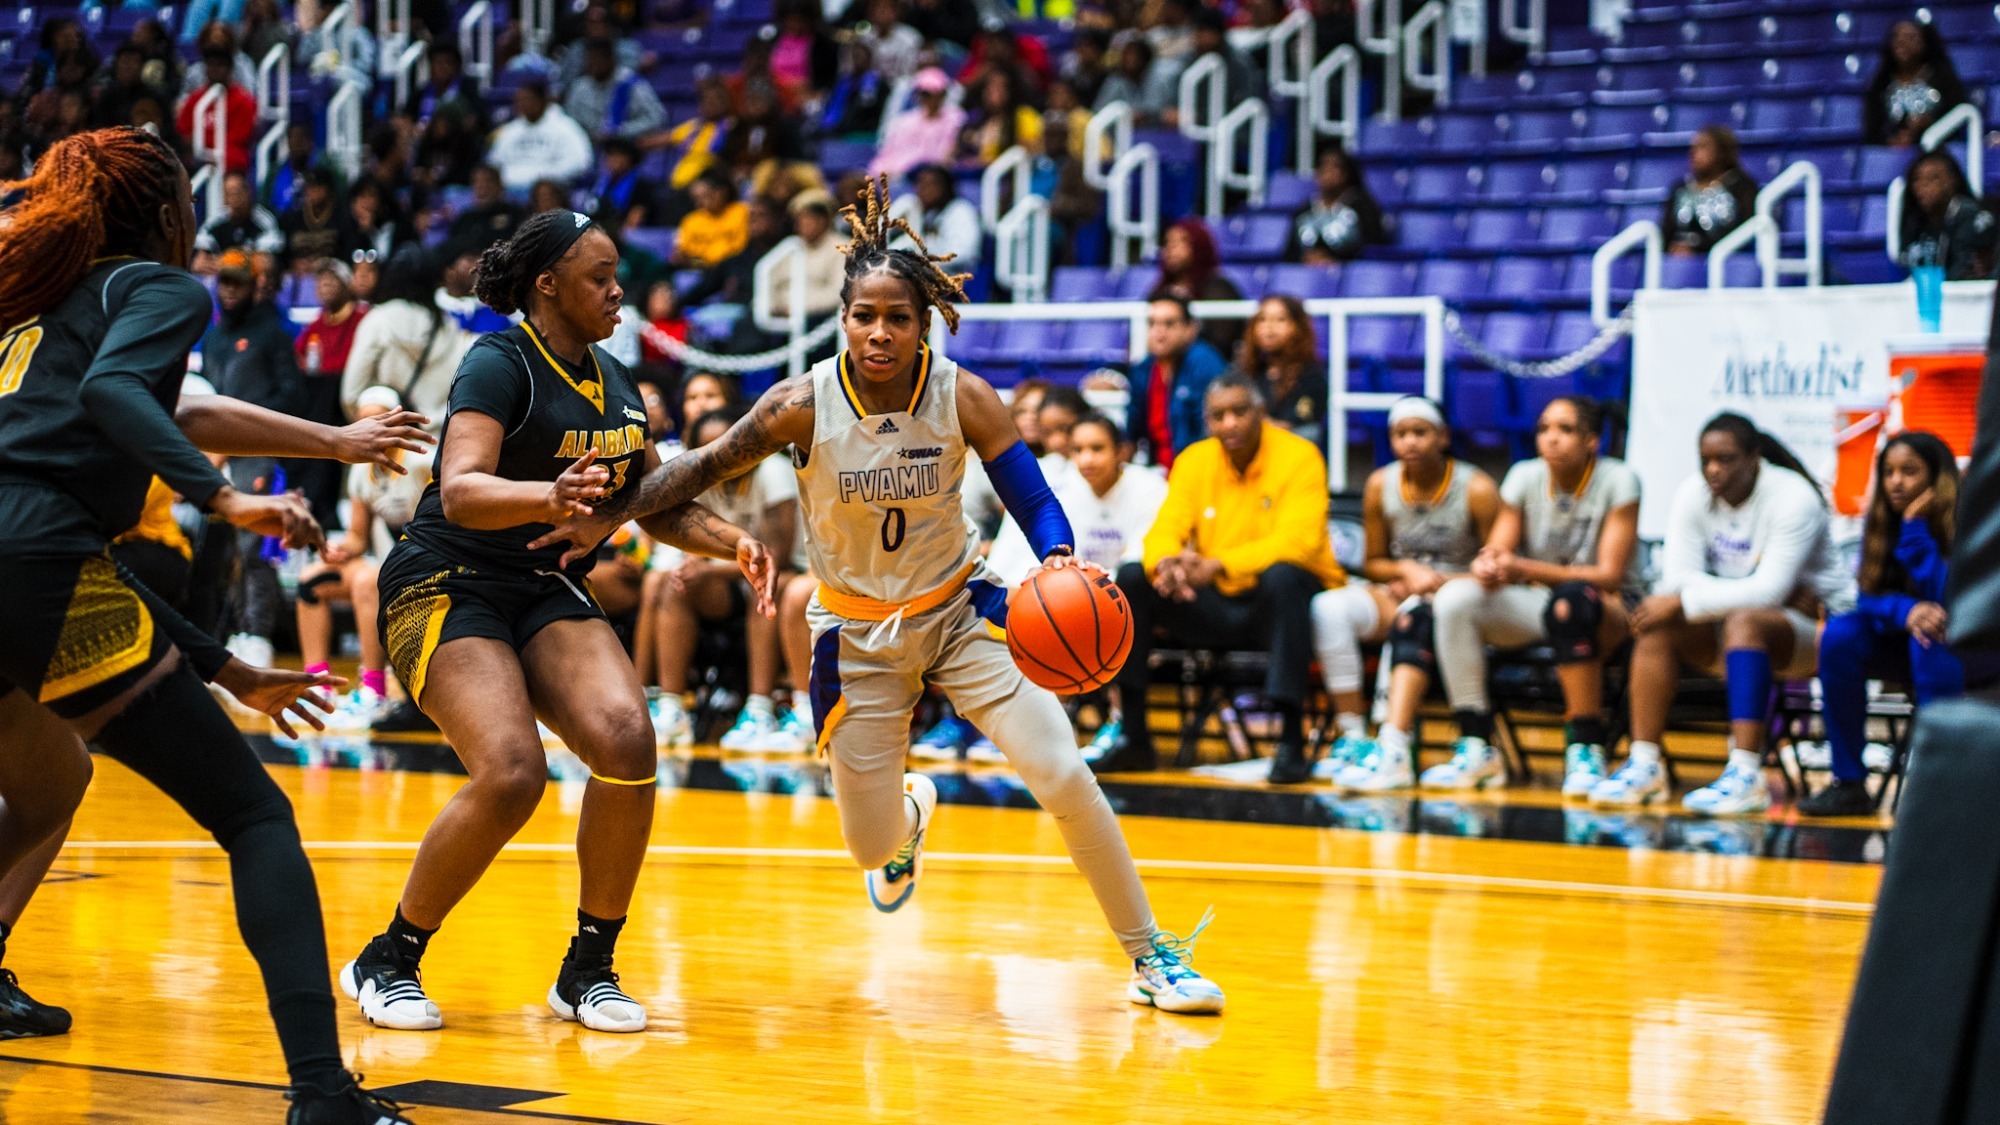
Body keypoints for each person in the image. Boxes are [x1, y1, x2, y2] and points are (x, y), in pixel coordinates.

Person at [524, 175, 1227, 1015]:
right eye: (865, 316)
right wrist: (607, 515)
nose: (881, 332)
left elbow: (1032, 496)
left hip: (962, 610)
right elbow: (691, 473)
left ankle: (1154, 957)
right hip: (854, 635)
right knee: (868, 843)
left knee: (1064, 772)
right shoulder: (797, 405)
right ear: (843, 319)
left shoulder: (962, 393)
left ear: (923, 322)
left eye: (898, 316)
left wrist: (1058, 559)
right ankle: (907, 816)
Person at [0, 125, 430, 1121]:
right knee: (253, 816)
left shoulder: (34, 309)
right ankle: (323, 1093)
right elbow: (119, 408)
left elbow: (151, 427)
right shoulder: (158, 289)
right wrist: (223, 499)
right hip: (36, 563)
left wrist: (228, 674)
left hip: (31, 562)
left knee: (53, 775)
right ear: (163, 215)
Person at [338, 209, 776, 1036]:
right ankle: (387, 957)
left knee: (626, 738)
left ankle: (589, 969)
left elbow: (647, 501)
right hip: (446, 574)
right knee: (512, 772)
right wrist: (549, 496)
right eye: (599, 277)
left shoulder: (619, 382)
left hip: (540, 579)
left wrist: (731, 541)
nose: (619, 291)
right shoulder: (499, 362)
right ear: (548, 287)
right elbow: (461, 486)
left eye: (617, 276)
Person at [1600, 413, 1856, 814]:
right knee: (1658, 621)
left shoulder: (1793, 498)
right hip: (1741, 628)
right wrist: (1729, 594)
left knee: (1744, 619)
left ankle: (1746, 774)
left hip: (1825, 633)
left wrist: (1699, 598)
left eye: (1726, 459)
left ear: (1755, 458)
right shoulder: (1693, 494)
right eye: (1705, 460)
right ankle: (1644, 764)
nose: (1713, 470)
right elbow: (1678, 582)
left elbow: (1766, 590)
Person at [1099, 372, 1345, 783]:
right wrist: (1167, 565)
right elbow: (1164, 529)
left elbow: (1299, 542)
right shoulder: (1195, 460)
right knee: (1132, 579)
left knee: (1285, 577)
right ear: (1207, 422)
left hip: (1277, 608)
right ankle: (1133, 735)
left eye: (1239, 412)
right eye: (1218, 416)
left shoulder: (1300, 456)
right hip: (1214, 603)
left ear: (1260, 413)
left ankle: (1290, 743)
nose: (1229, 423)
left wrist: (1218, 564)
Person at [1425, 397, 1643, 796]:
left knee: (1572, 604)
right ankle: (1477, 746)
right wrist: (1487, 566)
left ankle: (1586, 745)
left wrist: (1523, 569)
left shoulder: (1619, 479)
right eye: (1544, 429)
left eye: (1565, 429)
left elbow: (1609, 576)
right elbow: (1498, 548)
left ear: (1592, 440)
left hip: (1611, 610)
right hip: (1544, 602)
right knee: (1456, 599)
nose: (1551, 439)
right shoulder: (1525, 475)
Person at [1319, 397, 1500, 791]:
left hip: (1459, 598)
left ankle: (1393, 745)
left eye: (1420, 432)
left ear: (1443, 436)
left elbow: (1497, 566)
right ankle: (1352, 736)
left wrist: (1434, 581)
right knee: (1328, 608)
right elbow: (1375, 561)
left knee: (1413, 614)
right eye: (1400, 435)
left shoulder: (1478, 488)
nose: (1410, 443)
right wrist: (1405, 570)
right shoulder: (1381, 484)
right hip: (1400, 588)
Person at [1800, 432, 1965, 816]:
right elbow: (1868, 595)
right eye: (1889, 471)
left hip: (1966, 648)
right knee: (1840, 635)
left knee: (1928, 636)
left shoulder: (1968, 520)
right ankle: (1849, 782)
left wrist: (1915, 531)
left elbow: (1951, 596)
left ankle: (1939, 784)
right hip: (1910, 641)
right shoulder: (1881, 519)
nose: (1896, 482)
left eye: (1909, 471)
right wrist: (1906, 611)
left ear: (1938, 477)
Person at [989, 411, 1168, 759]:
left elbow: (1142, 560)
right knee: (1035, 616)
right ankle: (1043, 727)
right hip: (1082, 601)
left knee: (1125, 582)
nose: (1086, 459)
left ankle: (1120, 721)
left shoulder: (1150, 488)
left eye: (1097, 448)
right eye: (1078, 450)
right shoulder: (1063, 491)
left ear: (1123, 452)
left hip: (1137, 600)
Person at [646, 406, 808, 753]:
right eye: (711, 450)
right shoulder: (699, 474)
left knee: (764, 586)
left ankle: (760, 711)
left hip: (784, 573)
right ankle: (672, 709)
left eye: (729, 446)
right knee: (675, 587)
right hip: (726, 579)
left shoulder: (774, 472)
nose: (723, 456)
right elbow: (689, 541)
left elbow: (774, 556)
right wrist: (691, 569)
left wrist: (708, 568)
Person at [292, 385, 434, 731]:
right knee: (312, 579)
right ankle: (319, 687)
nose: (368, 430)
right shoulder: (361, 468)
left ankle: (374, 690)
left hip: (430, 565)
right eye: (361, 422)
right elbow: (358, 536)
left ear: (396, 422)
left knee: (369, 580)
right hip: (387, 563)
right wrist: (337, 550)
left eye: (377, 421)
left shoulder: (422, 463)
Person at [203, 249, 305, 666]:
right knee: (225, 550)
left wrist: (259, 431)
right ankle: (239, 633)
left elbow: (292, 395)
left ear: (253, 286)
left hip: (260, 453)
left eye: (237, 283)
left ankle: (259, 636)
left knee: (257, 546)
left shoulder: (272, 332)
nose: (229, 291)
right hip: (220, 451)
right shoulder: (213, 336)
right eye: (223, 282)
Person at [342, 245, 471, 423]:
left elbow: (351, 394)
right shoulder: (449, 328)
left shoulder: (378, 320)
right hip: (439, 441)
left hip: (391, 443)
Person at [293, 258, 371, 519]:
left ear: (347, 283)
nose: (325, 284)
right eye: (321, 279)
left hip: (351, 400)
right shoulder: (318, 322)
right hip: (321, 403)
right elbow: (300, 355)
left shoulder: (363, 317)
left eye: (332, 278)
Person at [1127, 296, 1229, 470]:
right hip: (1158, 472)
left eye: (1169, 324)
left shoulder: (1205, 363)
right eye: (1152, 324)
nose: (1159, 332)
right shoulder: (1143, 370)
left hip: (1200, 470)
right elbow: (1132, 432)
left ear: (1190, 328)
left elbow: (1209, 432)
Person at [1234, 295, 1329, 450]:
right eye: (1262, 320)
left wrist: (1250, 422)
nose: (1269, 327)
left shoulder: (1311, 377)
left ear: (1298, 327)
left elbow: (1298, 430)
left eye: (1280, 320)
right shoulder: (1248, 373)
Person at [1865, 19, 1968, 146]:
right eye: (1896, 37)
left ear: (1924, 42)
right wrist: (1891, 142)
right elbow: (1872, 132)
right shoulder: (1881, 84)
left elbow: (1959, 115)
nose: (1902, 42)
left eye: (1910, 37)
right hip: (1894, 155)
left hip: (1939, 148)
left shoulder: (1942, 75)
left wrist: (1930, 124)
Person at [1897, 149, 1997, 280]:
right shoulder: (1914, 222)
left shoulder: (1974, 219)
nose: (1923, 185)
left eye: (1934, 178)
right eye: (1917, 179)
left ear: (1952, 181)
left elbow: (1963, 274)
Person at [1660, 126, 1759, 257]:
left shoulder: (1742, 186)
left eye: (1703, 146)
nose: (1693, 152)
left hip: (1726, 262)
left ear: (1722, 152)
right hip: (1679, 264)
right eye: (1693, 147)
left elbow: (1745, 231)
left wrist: (1698, 248)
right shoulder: (1680, 188)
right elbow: (1665, 233)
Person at [1150, 219, 1243, 355]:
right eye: (1167, 242)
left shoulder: (1217, 289)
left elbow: (1222, 341)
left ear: (1199, 246)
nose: (1170, 248)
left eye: (1181, 242)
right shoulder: (1159, 291)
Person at [489, 79, 594, 193]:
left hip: (548, 191)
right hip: (507, 190)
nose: (522, 104)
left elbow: (579, 163)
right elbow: (494, 162)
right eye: (519, 100)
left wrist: (542, 176)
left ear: (542, 100)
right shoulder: (511, 130)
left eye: (527, 99)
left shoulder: (565, 127)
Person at [1288, 147, 1387, 265]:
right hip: (1307, 275)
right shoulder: (1305, 208)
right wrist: (1305, 258)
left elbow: (1373, 247)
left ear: (1346, 173)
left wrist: (1335, 260)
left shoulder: (1363, 206)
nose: (1326, 172)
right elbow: (1289, 251)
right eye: (1322, 166)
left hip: (1349, 274)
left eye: (1333, 167)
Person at [564, 37, 668, 144]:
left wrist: (619, 131)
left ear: (611, 59)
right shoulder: (579, 87)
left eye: (598, 60)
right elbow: (569, 124)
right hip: (587, 146)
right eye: (590, 60)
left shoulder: (629, 82)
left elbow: (656, 118)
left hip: (625, 146)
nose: (594, 65)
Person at [870, 67, 967, 180]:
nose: (928, 98)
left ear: (943, 94)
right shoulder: (903, 121)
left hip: (931, 177)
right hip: (897, 175)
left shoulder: (956, 118)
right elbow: (887, 154)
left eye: (933, 93)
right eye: (924, 93)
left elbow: (947, 156)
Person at [174, 46, 257, 174]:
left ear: (229, 68)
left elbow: (238, 139)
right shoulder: (195, 98)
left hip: (230, 162)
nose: (214, 70)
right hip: (197, 158)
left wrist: (209, 152)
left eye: (219, 66)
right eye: (210, 65)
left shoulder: (243, 101)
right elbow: (183, 131)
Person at [894, 164, 984, 277]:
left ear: (946, 187)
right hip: (924, 274)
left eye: (929, 185)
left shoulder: (961, 211)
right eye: (920, 184)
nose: (922, 190)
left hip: (956, 280)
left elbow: (966, 254)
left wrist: (925, 260)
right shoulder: (926, 212)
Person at [192, 170, 284, 272]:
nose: (235, 199)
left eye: (237, 192)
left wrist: (227, 263)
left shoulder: (264, 221)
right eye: (229, 194)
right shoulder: (216, 221)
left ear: (248, 192)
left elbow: (264, 264)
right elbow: (199, 260)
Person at [280, 167, 360, 274]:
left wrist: (327, 264)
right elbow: (282, 254)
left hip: (332, 277)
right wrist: (293, 263)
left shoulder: (343, 219)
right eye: (309, 186)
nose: (313, 191)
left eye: (318, 186)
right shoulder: (291, 219)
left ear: (329, 189)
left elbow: (348, 256)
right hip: (297, 277)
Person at [675, 170, 750, 269]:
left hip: (735, 267)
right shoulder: (691, 220)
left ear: (721, 192)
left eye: (705, 197)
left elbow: (744, 248)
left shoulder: (742, 212)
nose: (699, 203)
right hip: (701, 270)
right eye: (696, 199)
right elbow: (683, 254)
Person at [448, 164, 526, 250]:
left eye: (487, 181)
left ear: (499, 185)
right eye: (476, 182)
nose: (481, 187)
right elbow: (452, 247)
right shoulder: (465, 219)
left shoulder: (516, 215)